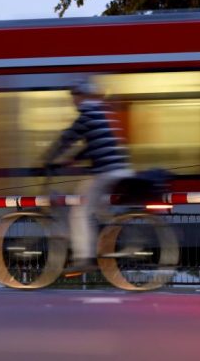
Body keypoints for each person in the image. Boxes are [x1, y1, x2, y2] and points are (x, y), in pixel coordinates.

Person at [43, 76, 134, 269]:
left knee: (79, 211)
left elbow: (67, 138)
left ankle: (85, 257)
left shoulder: (87, 114)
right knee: (100, 211)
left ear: (81, 96)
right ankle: (118, 241)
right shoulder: (102, 113)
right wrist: (72, 160)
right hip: (121, 168)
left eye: (74, 96)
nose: (73, 100)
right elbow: (93, 145)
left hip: (106, 171)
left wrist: (48, 158)